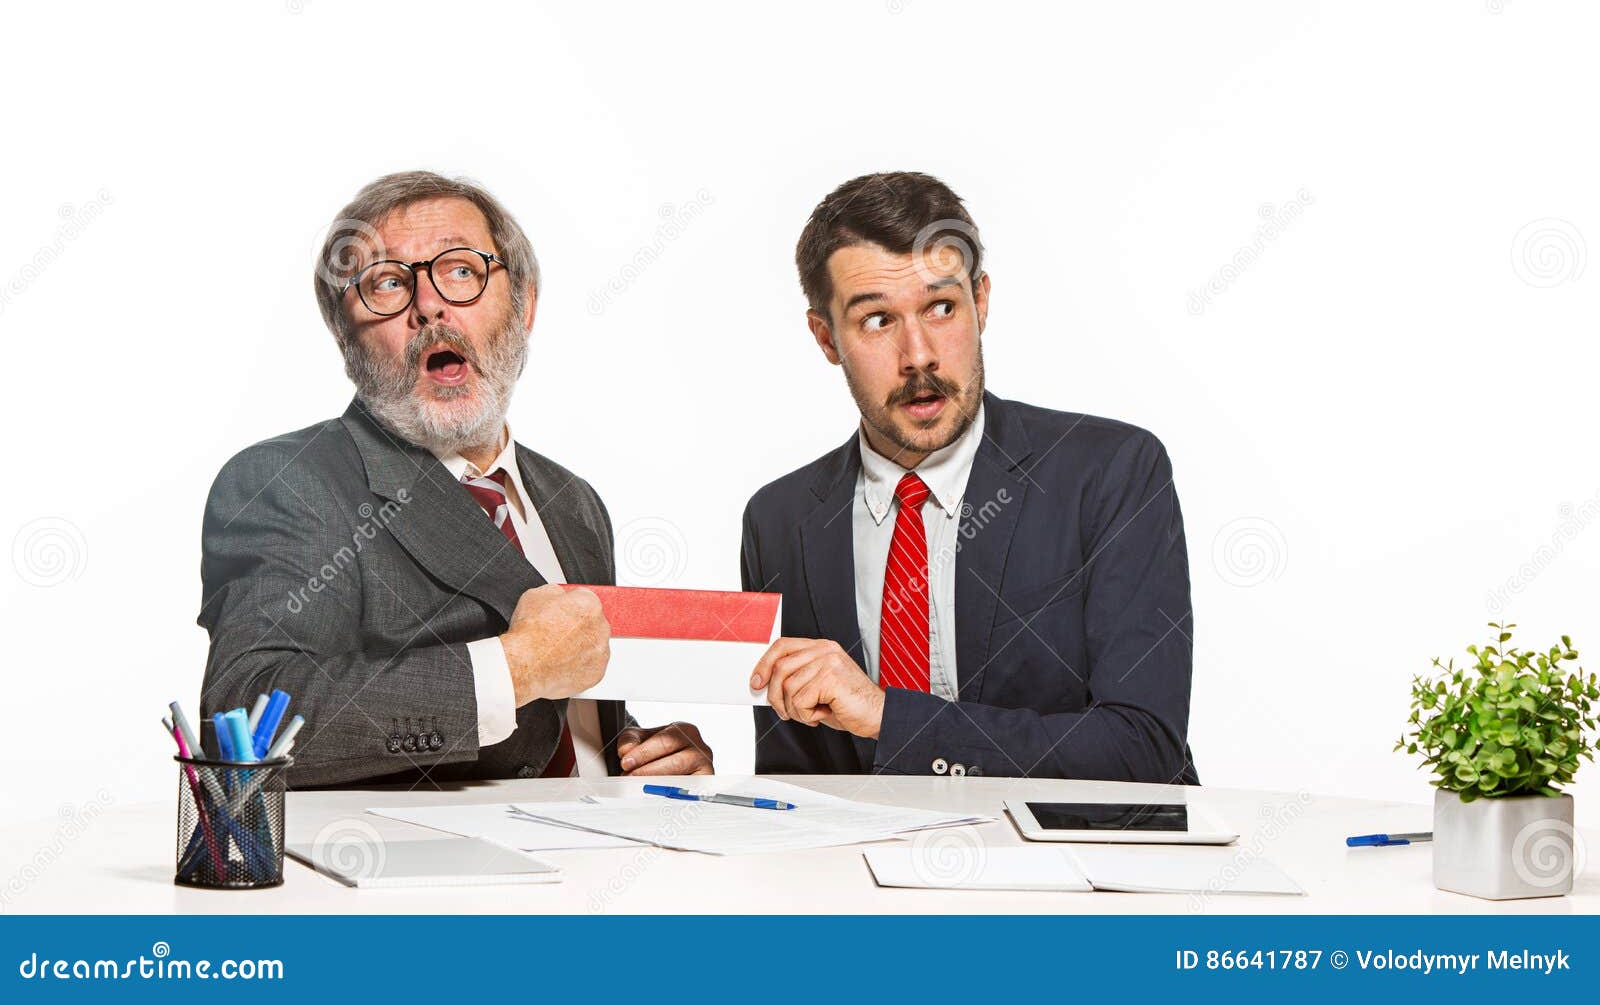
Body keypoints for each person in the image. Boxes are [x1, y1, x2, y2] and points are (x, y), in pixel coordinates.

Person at [198, 171, 711, 786]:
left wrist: (640, 757)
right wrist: (514, 669)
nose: (430, 305)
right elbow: (247, 720)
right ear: (345, 341)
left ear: (524, 307)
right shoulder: (287, 482)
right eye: (388, 284)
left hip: (593, 862)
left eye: (462, 271)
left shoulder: (574, 502)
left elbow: (562, 719)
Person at [744, 171, 1198, 782]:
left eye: (940, 307)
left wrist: (890, 716)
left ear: (980, 302)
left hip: (1078, 865)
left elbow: (1143, 748)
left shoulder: (1111, 472)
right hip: (860, 874)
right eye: (877, 320)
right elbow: (797, 783)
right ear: (826, 337)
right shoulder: (780, 519)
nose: (919, 355)